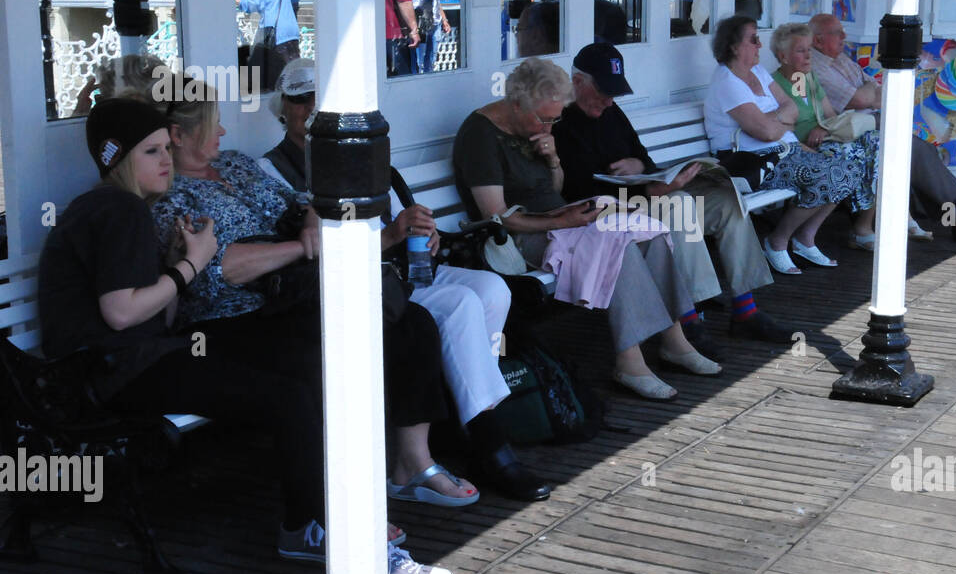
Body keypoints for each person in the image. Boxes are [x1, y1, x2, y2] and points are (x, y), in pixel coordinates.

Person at [38, 97, 452, 574]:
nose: (166, 160)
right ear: (119, 159)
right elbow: (121, 314)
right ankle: (336, 535)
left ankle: (312, 524)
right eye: (151, 152)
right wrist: (190, 266)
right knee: (290, 392)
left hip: (136, 359)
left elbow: (156, 316)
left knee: (301, 377)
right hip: (107, 374)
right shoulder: (117, 209)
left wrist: (177, 264)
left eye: (166, 148)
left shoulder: (122, 208)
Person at [147, 86, 479, 514]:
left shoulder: (235, 164)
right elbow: (219, 270)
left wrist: (309, 222)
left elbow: (307, 201)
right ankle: (336, 504)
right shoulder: (170, 196)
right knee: (332, 350)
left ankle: (411, 465)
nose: (223, 132)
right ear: (177, 135)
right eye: (214, 125)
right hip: (232, 317)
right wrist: (303, 248)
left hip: (297, 295)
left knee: (412, 322)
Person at [258, 60, 550, 501]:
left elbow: (401, 222)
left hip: (399, 271)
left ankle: (464, 416)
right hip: (351, 286)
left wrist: (425, 233)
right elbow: (311, 250)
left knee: (492, 289)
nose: (313, 108)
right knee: (461, 305)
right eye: (300, 99)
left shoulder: (366, 154)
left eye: (323, 100)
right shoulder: (272, 170)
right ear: (282, 108)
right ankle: (488, 442)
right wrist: (393, 236)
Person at [453, 58, 719, 401]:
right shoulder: (480, 136)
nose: (549, 127)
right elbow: (497, 217)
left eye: (555, 119)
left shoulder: (531, 127)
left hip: (561, 219)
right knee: (617, 245)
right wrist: (562, 221)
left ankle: (675, 341)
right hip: (519, 237)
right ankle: (629, 361)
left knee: (649, 232)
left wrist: (553, 160)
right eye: (545, 119)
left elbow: (554, 189)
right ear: (516, 103)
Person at [555, 42, 791, 351]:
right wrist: (650, 189)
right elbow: (582, 192)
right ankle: (687, 319)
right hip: (612, 212)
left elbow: (644, 159)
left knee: (726, 201)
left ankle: (745, 311)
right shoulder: (561, 123)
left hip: (648, 197)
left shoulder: (611, 112)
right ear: (577, 82)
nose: (609, 101)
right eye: (603, 92)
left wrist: (640, 166)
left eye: (614, 93)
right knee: (679, 205)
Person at [808, 13, 956, 241]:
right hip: (847, 131)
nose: (844, 36)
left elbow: (878, 89)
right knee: (912, 149)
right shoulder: (817, 67)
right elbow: (862, 99)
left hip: (868, 123)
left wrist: (869, 93)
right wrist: (869, 93)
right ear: (818, 40)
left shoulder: (841, 59)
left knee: (916, 152)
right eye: (837, 32)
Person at [706, 15, 869, 275]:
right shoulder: (728, 83)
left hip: (783, 151)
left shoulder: (757, 71)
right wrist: (780, 122)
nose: (760, 45)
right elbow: (766, 132)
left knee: (850, 170)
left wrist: (774, 121)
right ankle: (777, 241)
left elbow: (790, 107)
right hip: (752, 161)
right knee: (828, 175)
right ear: (735, 47)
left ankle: (805, 238)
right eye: (754, 39)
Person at [769, 22, 878, 249]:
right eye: (801, 51)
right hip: (801, 148)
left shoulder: (808, 78)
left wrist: (825, 128)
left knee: (876, 142)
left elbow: (829, 116)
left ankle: (863, 225)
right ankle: (808, 232)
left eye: (809, 49)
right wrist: (811, 141)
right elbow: (780, 133)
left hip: (825, 140)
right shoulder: (773, 85)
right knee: (847, 156)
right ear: (783, 56)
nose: (809, 56)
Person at [238, 0, 301, 90]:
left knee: (264, 70)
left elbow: (255, 4)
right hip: (291, 32)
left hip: (275, 32)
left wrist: (240, 1)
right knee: (293, 73)